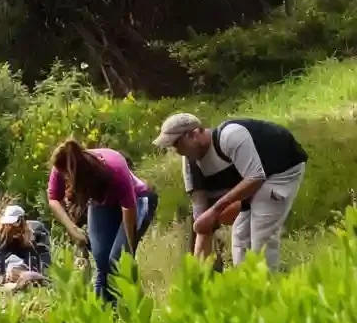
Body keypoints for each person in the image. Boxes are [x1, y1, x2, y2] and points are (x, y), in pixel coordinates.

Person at [155, 113, 308, 270]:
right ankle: (245, 288)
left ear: (195, 133)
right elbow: (202, 223)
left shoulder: (230, 136)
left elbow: (255, 177)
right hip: (251, 179)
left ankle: (268, 286)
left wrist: (216, 210)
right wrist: (198, 276)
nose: (177, 151)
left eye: (177, 144)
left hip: (280, 169)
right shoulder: (190, 161)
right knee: (240, 236)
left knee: (261, 233)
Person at [47, 141, 158, 301]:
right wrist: (72, 229)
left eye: (68, 177)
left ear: (79, 174)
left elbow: (129, 209)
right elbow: (53, 200)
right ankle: (104, 316)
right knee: (101, 262)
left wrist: (129, 247)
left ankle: (130, 312)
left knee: (118, 261)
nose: (65, 180)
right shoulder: (62, 166)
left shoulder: (114, 167)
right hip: (102, 203)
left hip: (138, 200)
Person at [0, 205, 53, 282]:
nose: (12, 227)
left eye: (14, 224)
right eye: (9, 224)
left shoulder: (35, 234)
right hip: (9, 270)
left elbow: (42, 259)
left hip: (27, 271)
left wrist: (31, 242)